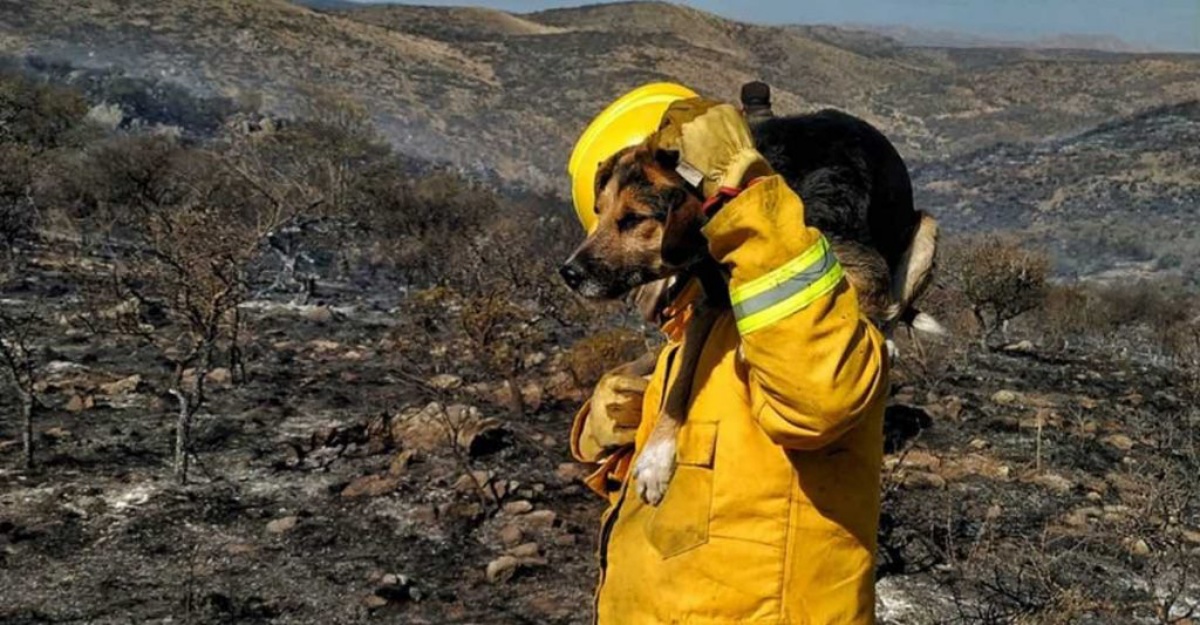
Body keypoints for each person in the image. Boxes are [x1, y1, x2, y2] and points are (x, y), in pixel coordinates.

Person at [567, 83, 889, 624]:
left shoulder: (802, 306)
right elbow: (683, 498)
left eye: (631, 225)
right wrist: (625, 441)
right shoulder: (692, 329)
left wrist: (752, 208)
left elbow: (819, 399)